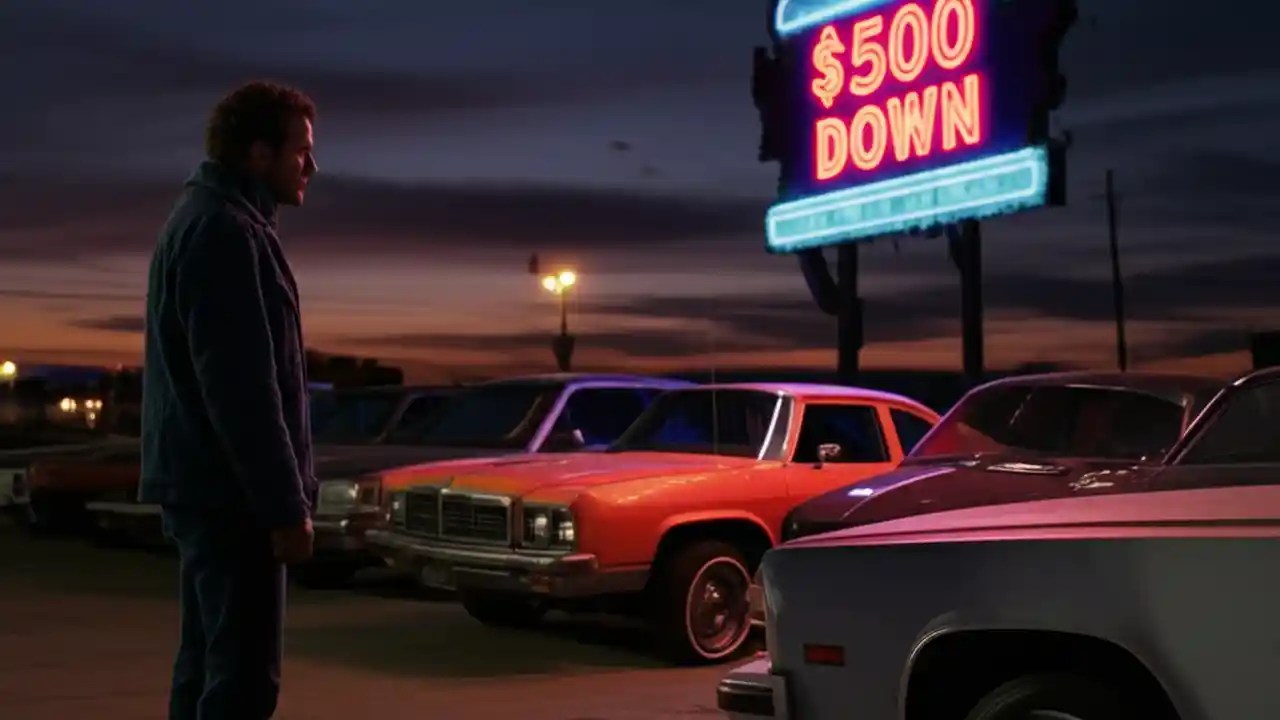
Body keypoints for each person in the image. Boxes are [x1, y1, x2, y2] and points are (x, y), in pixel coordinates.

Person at [140, 80, 320, 719]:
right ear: (257, 153)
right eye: (301, 150)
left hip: (209, 490)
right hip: (232, 499)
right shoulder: (223, 231)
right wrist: (283, 507)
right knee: (242, 683)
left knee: (205, 668)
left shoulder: (207, 219)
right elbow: (243, 388)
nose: (312, 166)